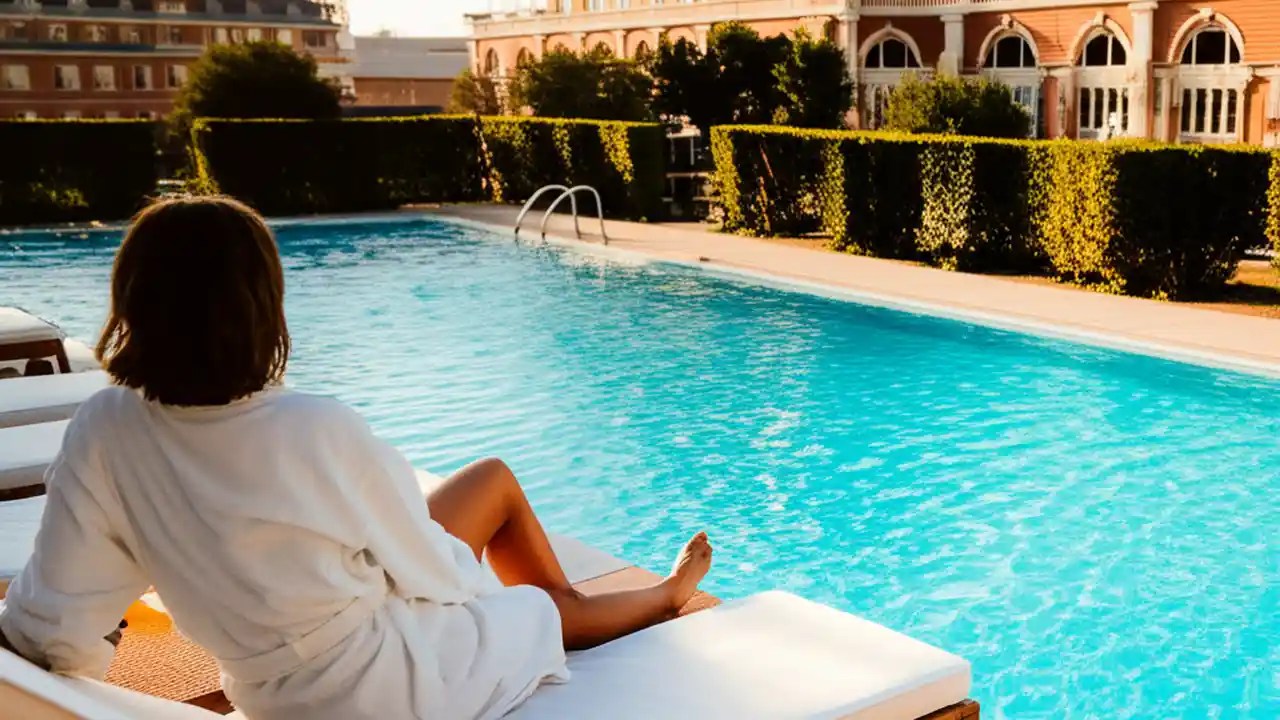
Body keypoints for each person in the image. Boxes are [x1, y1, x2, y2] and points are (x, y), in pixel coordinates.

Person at [0, 196, 713, 720]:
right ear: (263, 310)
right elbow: (435, 577)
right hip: (397, 689)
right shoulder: (316, 429)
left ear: (131, 304)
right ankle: (656, 597)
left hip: (274, 696)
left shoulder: (105, 431)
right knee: (530, 609)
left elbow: (51, 628)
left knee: (488, 487)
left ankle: (581, 604)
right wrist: (494, 608)